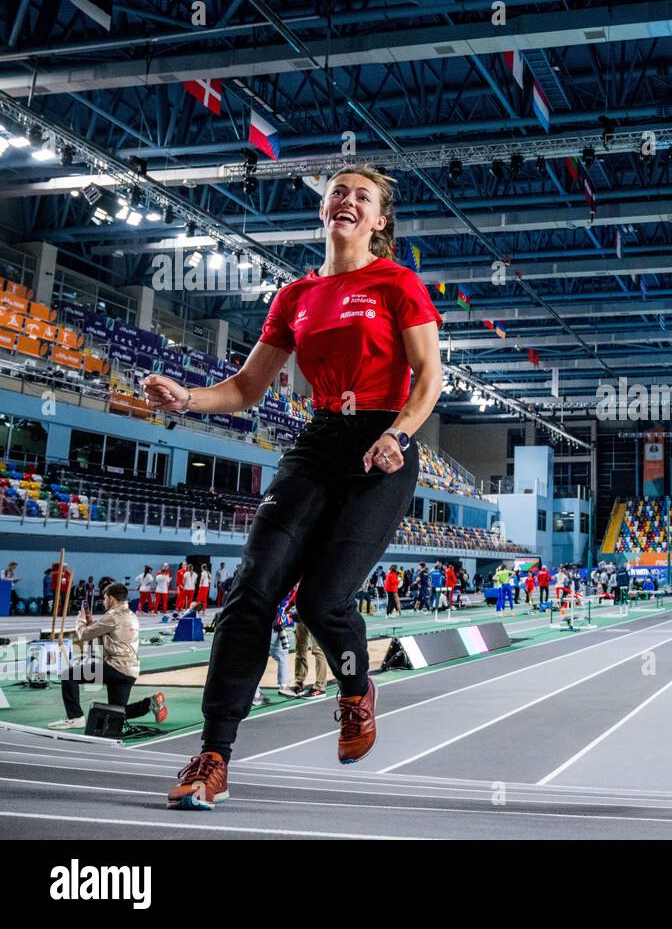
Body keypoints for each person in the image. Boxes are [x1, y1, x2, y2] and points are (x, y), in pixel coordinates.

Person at [142, 164, 443, 809]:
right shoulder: (296, 296)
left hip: (382, 446)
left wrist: (400, 433)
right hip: (318, 442)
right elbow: (246, 388)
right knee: (250, 593)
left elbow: (429, 377)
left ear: (379, 220)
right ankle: (214, 756)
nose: (347, 201)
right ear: (323, 209)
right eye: (338, 193)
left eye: (363, 197)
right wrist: (188, 397)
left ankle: (356, 688)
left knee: (322, 601)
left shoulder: (397, 282)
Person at [48, 583, 168, 731]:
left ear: (111, 598)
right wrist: (91, 622)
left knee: (69, 675)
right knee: (115, 713)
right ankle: (149, 704)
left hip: (115, 667)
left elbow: (84, 635)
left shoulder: (112, 615)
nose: (104, 601)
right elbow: (105, 633)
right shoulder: (132, 615)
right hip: (130, 671)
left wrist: (80, 620)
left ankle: (75, 718)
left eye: (105, 598)